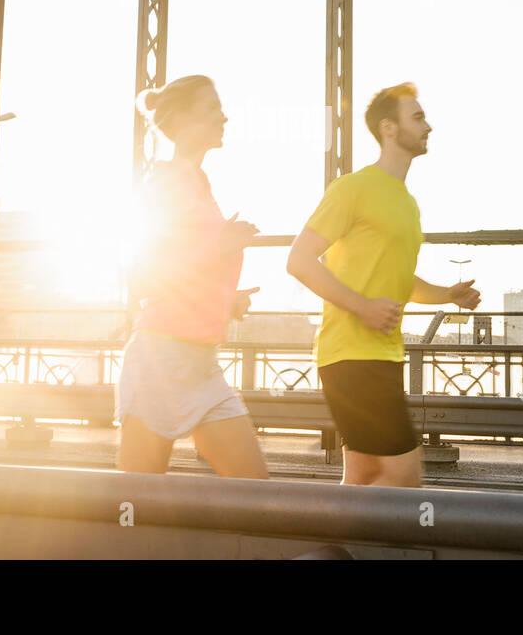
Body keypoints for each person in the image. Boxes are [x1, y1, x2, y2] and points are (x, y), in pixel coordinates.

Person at [286, 83, 481, 487]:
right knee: (403, 479)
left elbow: (398, 280)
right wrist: (362, 307)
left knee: (364, 477)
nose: (428, 126)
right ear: (389, 129)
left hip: (382, 355)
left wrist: (447, 295)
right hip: (351, 355)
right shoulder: (353, 189)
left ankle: (333, 547)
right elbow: (299, 260)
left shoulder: (406, 203)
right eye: (418, 117)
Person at [116, 75, 269, 479]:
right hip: (159, 361)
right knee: (136, 502)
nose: (224, 116)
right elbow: (143, 274)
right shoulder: (166, 180)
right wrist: (221, 246)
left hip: (201, 363)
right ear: (183, 120)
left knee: (255, 488)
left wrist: (226, 298)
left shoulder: (198, 181)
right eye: (212, 108)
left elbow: (183, 272)